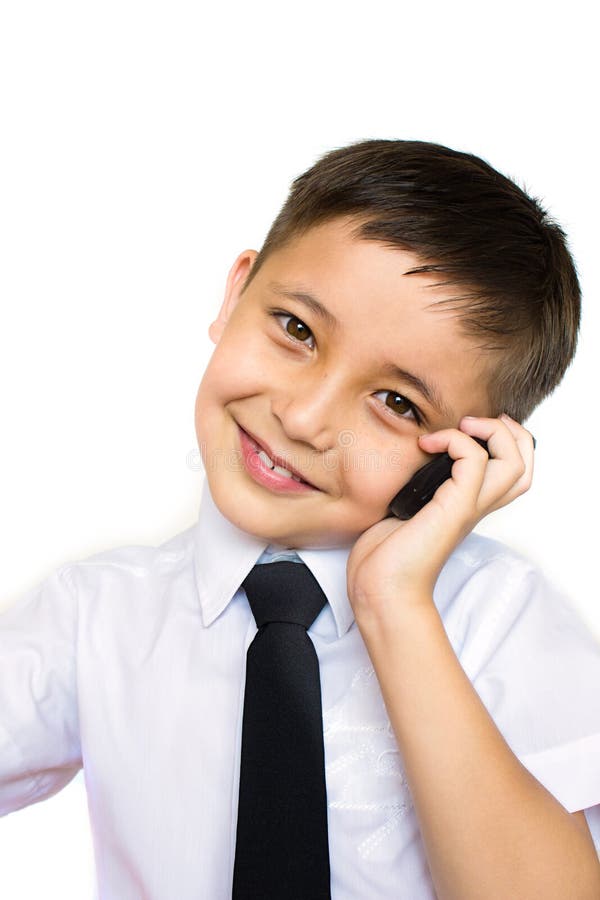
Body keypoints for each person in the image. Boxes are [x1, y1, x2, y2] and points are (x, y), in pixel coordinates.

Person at [1, 139, 599, 899]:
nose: (305, 418)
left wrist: (394, 607)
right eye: (297, 329)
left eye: (397, 402)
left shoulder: (503, 618)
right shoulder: (95, 615)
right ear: (236, 295)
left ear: (471, 453)